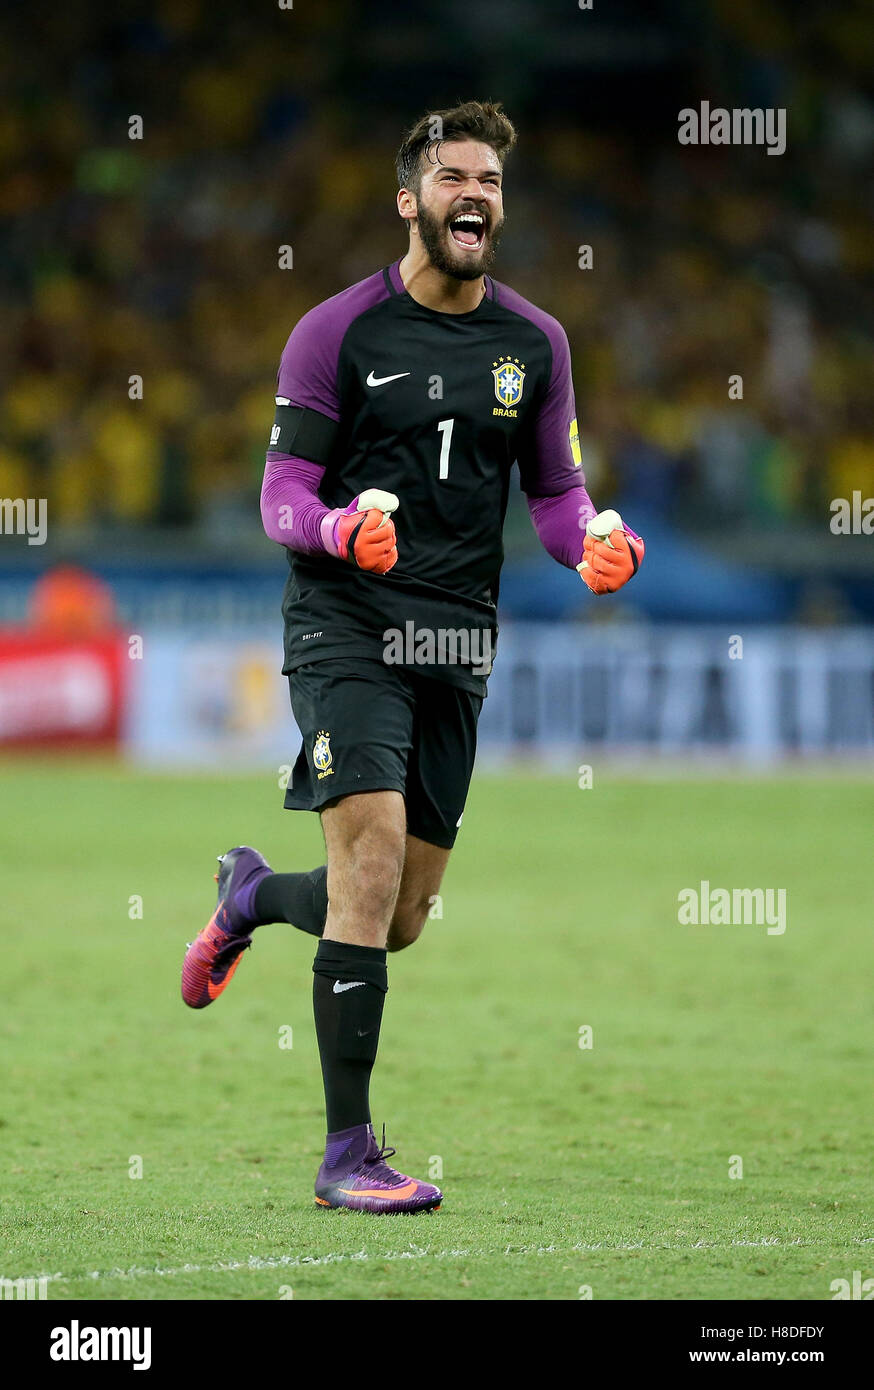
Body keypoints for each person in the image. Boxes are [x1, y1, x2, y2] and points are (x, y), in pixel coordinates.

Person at [181, 100, 644, 1213]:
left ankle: (251, 895)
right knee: (372, 852)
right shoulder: (334, 332)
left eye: (490, 180)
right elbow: (281, 494)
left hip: (456, 635)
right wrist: (341, 530)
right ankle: (348, 1155)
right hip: (343, 621)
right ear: (409, 200)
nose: (474, 194)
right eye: (451, 178)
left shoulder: (535, 344)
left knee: (396, 915)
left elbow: (554, 493)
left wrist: (590, 543)